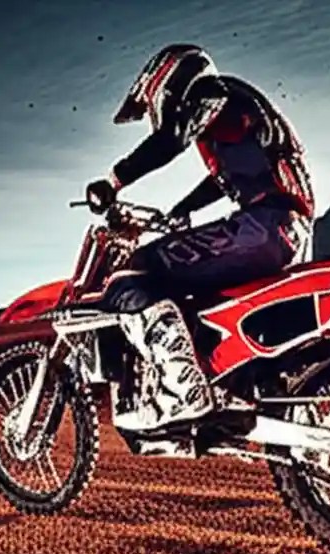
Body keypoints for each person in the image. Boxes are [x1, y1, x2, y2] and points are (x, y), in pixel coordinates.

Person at [85, 43, 316, 431]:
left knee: (133, 272)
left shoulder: (215, 93)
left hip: (262, 229)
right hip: (287, 232)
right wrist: (182, 209)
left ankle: (183, 388)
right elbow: (223, 180)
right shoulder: (239, 117)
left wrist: (114, 181)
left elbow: (172, 138)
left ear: (168, 82)